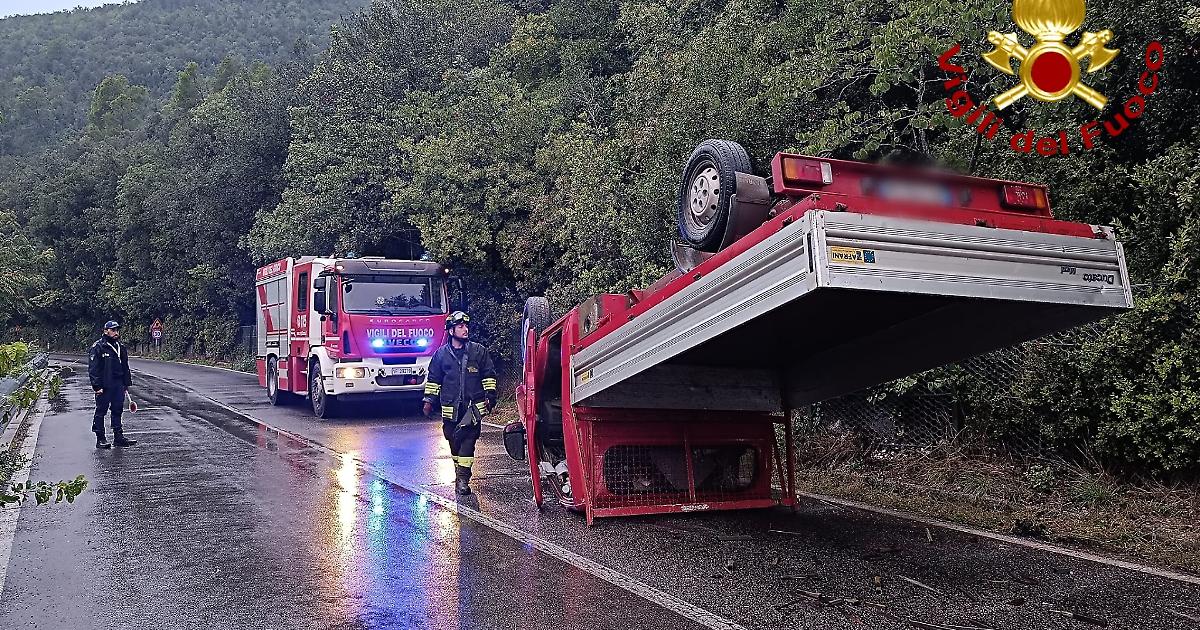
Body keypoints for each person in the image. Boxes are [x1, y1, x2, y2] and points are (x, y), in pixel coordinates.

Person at [422, 311, 498, 495]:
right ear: (451, 331)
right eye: (460, 326)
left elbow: (489, 374)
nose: (465, 329)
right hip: (450, 409)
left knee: (468, 442)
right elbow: (434, 380)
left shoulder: (478, 351)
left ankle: (463, 479)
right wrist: (428, 401)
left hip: (473, 408)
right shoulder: (441, 356)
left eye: (466, 326)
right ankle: (459, 472)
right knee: (454, 442)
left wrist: (490, 394)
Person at [88, 320, 137, 449]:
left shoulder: (120, 347)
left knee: (117, 410)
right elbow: (93, 369)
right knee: (101, 411)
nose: (116, 332)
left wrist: (126, 383)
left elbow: (125, 366)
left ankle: (118, 437)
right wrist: (96, 386)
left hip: (118, 384)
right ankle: (101, 438)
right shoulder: (98, 347)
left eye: (117, 330)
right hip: (104, 385)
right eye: (113, 330)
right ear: (106, 331)